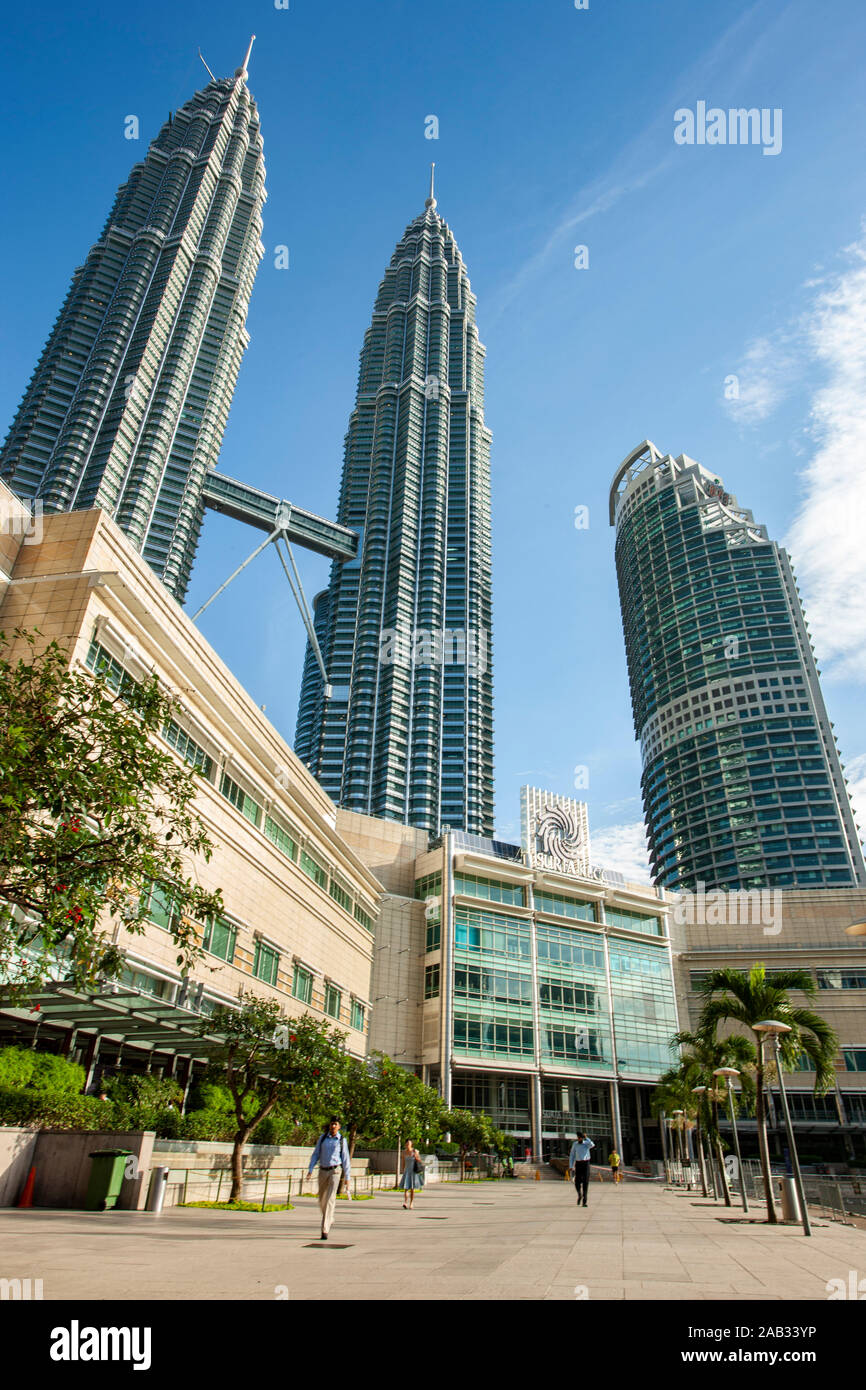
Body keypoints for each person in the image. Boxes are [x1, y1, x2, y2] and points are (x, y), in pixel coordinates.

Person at [307, 1116, 351, 1240]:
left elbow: (346, 1159)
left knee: (330, 1199)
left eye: (335, 1124)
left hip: (335, 1171)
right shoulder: (322, 1139)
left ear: (339, 1127)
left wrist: (347, 1176)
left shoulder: (342, 1140)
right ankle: (329, 1217)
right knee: (322, 1200)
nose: (333, 1126)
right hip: (323, 1170)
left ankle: (325, 1229)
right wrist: (310, 1169)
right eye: (331, 1124)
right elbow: (316, 1154)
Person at [568, 1132, 594, 1207]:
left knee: (586, 1182)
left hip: (586, 1163)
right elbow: (572, 1155)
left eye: (581, 1138)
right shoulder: (575, 1144)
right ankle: (580, 1194)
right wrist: (571, 1165)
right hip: (578, 1163)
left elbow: (592, 1145)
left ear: (583, 1138)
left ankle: (585, 1201)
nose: (579, 1139)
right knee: (577, 1182)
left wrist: (587, 1138)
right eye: (578, 1137)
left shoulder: (586, 1143)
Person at [401, 1140, 424, 1209]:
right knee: (406, 1188)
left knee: (412, 1189)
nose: (408, 1145)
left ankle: (411, 1203)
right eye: (407, 1143)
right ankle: (405, 1202)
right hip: (407, 1171)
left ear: (411, 1144)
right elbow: (403, 1162)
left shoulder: (415, 1151)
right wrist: (403, 1170)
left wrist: (416, 1156)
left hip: (413, 1172)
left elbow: (419, 1160)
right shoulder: (404, 1152)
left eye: (409, 1144)